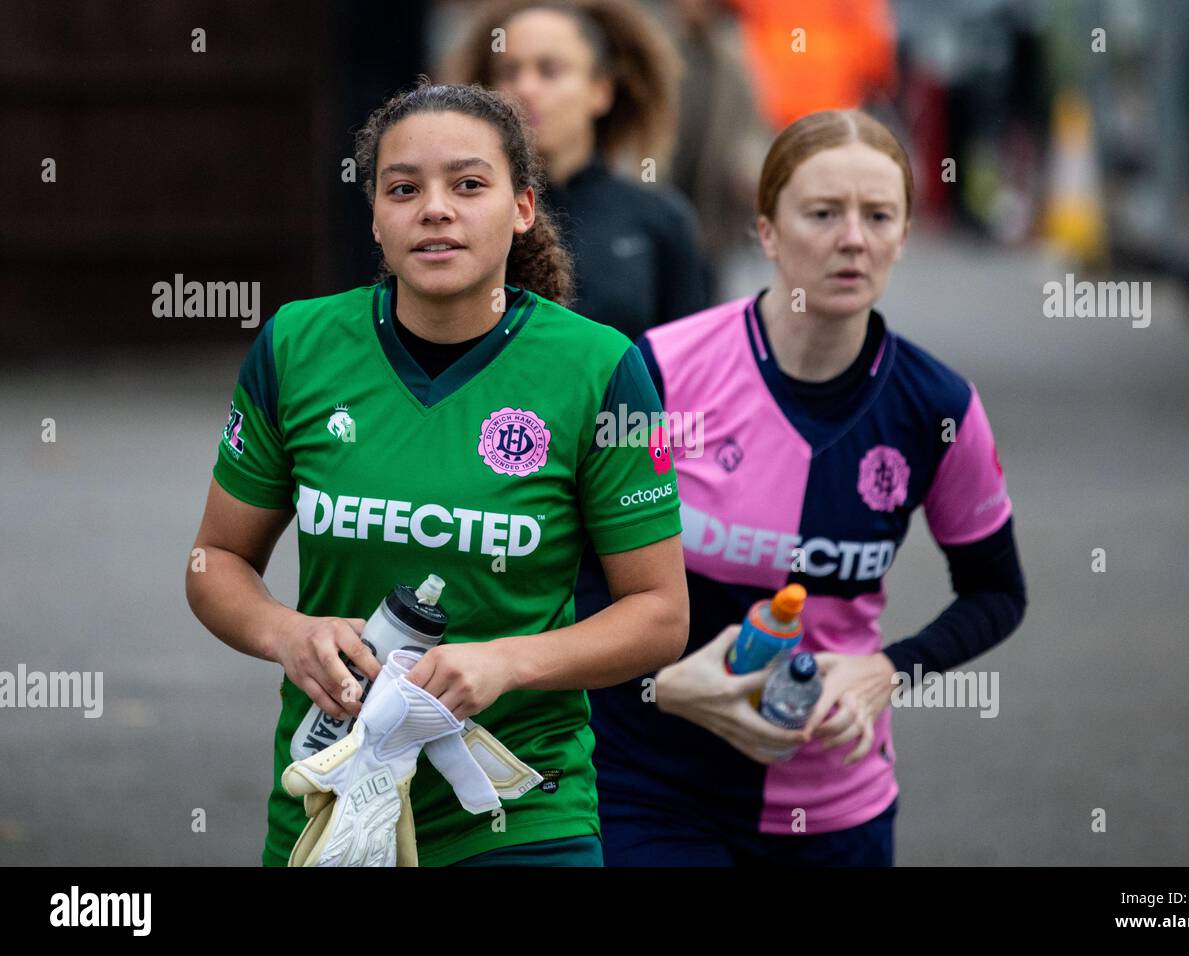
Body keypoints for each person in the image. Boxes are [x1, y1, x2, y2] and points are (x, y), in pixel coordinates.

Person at [185, 80, 688, 867]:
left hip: (525, 808)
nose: (435, 208)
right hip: (333, 794)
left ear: (523, 208)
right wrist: (289, 634)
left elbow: (659, 612)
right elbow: (215, 561)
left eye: (468, 184)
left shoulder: (601, 368)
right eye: (403, 188)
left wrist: (506, 661)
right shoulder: (297, 344)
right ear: (377, 217)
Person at [585, 109, 1028, 866]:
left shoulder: (937, 407)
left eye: (878, 215)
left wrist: (889, 668)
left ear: (903, 237)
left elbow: (996, 592)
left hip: (831, 804)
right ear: (767, 232)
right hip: (648, 785)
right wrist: (663, 682)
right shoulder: (663, 368)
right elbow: (576, 565)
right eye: (822, 213)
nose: (851, 237)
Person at [447, 0, 712, 339]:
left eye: (549, 70)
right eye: (509, 72)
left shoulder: (660, 220)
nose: (525, 89)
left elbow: (691, 367)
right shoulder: (459, 213)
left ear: (600, 90)